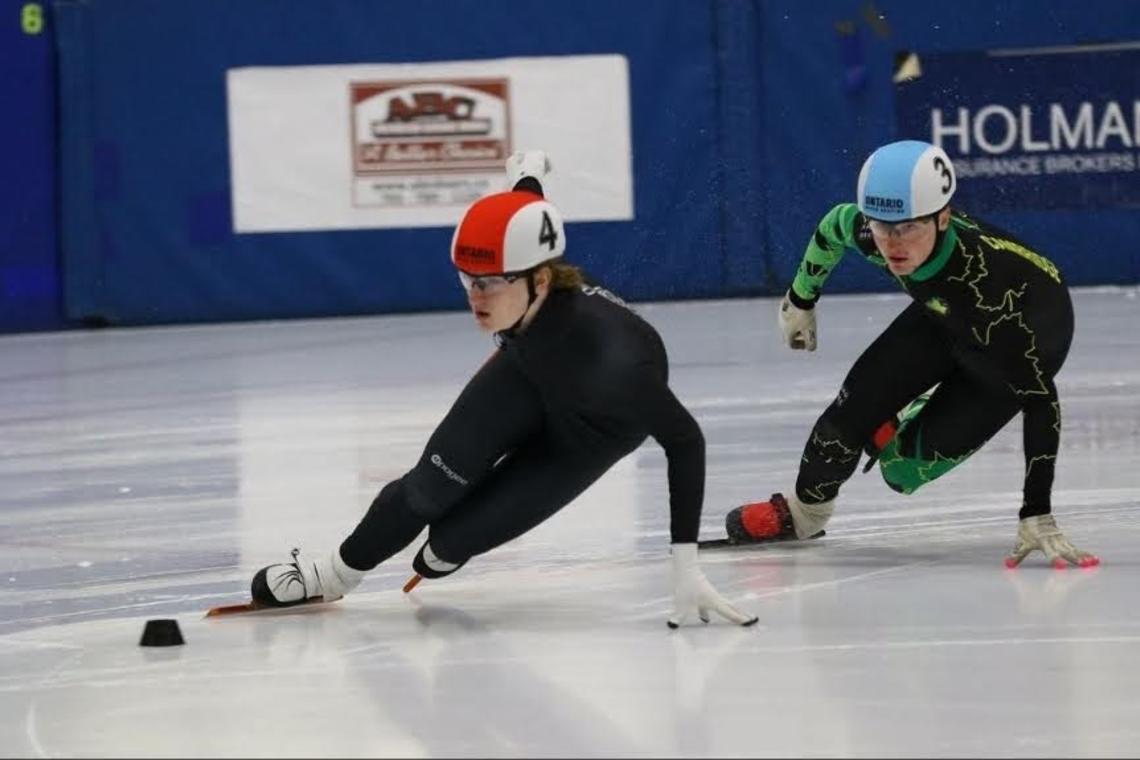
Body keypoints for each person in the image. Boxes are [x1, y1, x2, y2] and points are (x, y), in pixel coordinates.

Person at [250, 150, 757, 627]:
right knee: (427, 489)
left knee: (446, 545)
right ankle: (333, 575)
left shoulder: (616, 362)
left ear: (539, 280)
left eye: (489, 283)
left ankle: (449, 551)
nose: (476, 297)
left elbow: (686, 441)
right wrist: (527, 172)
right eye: (467, 280)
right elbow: (529, 206)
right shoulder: (524, 278)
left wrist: (685, 565)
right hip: (529, 373)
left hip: (592, 431)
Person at [724, 139, 1099, 569]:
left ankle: (903, 421)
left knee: (899, 473)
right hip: (944, 317)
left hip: (1007, 348)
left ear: (943, 219)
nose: (892, 244)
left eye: (907, 228)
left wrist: (1037, 511)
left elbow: (1041, 402)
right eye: (882, 227)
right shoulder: (876, 231)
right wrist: (800, 300)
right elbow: (833, 226)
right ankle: (803, 514)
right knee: (841, 427)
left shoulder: (987, 294)